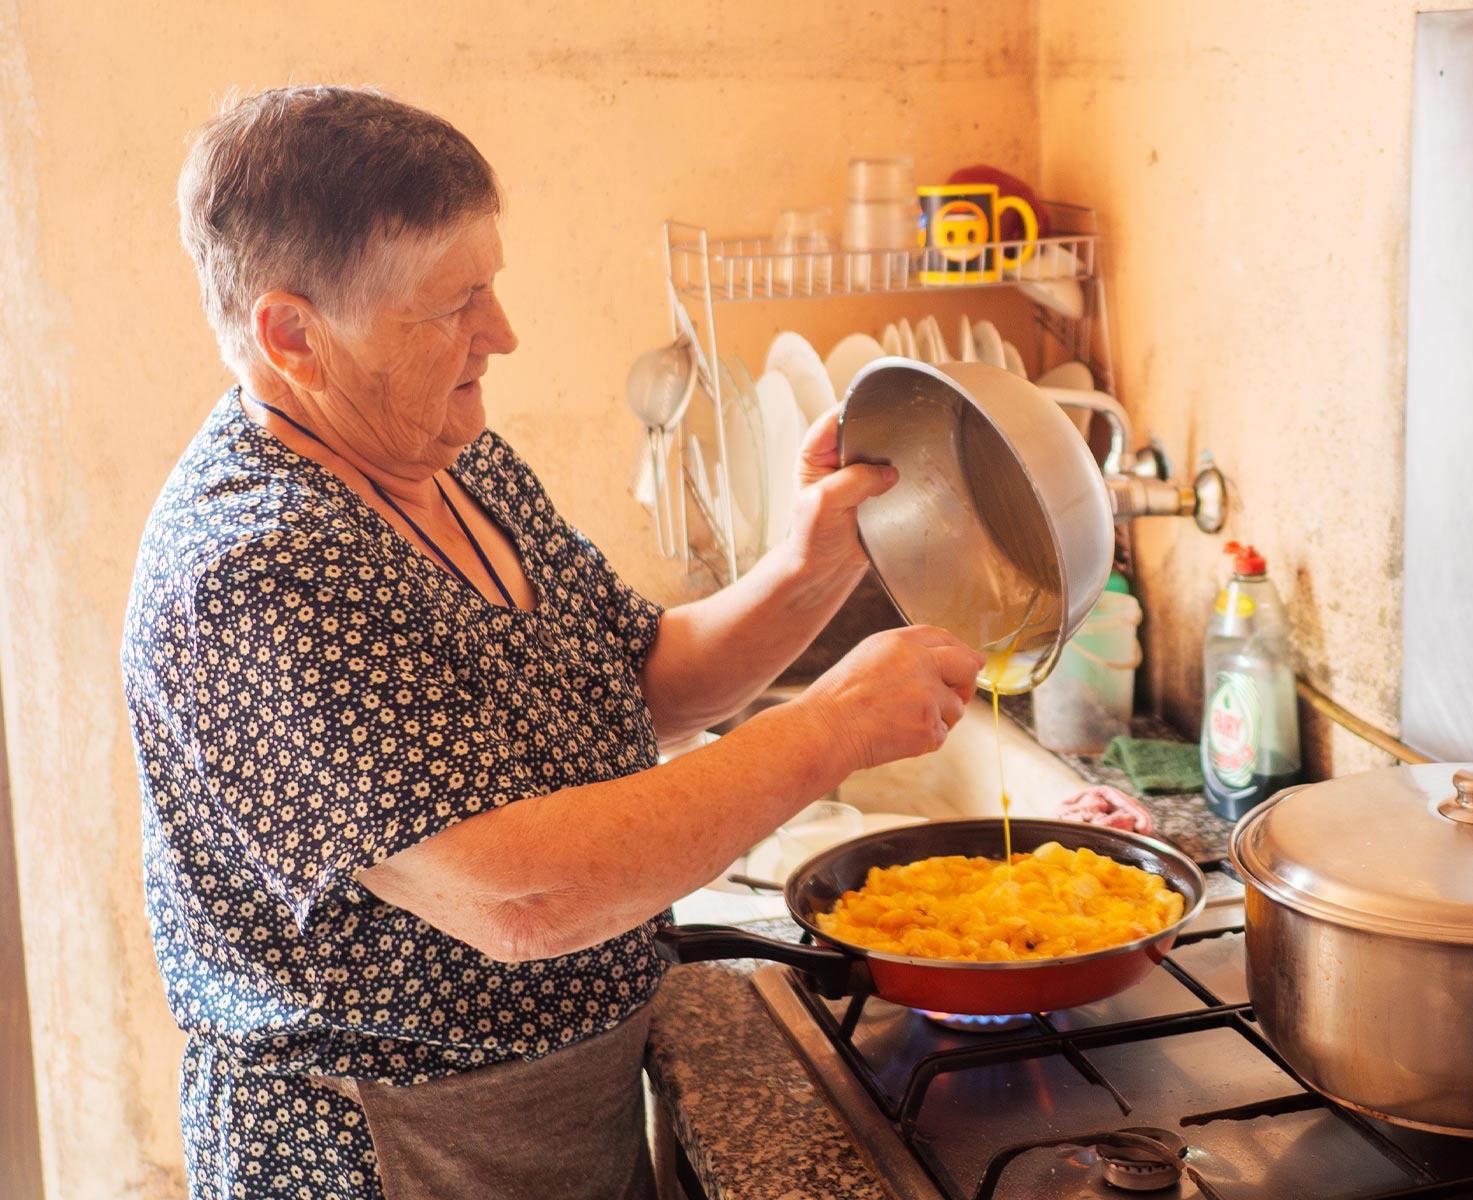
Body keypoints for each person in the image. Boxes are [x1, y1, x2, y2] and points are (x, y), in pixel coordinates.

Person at [121, 84, 982, 1200]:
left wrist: (812, 562)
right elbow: (517, 900)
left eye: (492, 287)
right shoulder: (252, 568)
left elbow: (635, 685)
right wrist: (833, 728)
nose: (502, 335)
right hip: (389, 1150)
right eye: (454, 303)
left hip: (564, 1103)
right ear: (294, 335)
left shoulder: (442, 452)